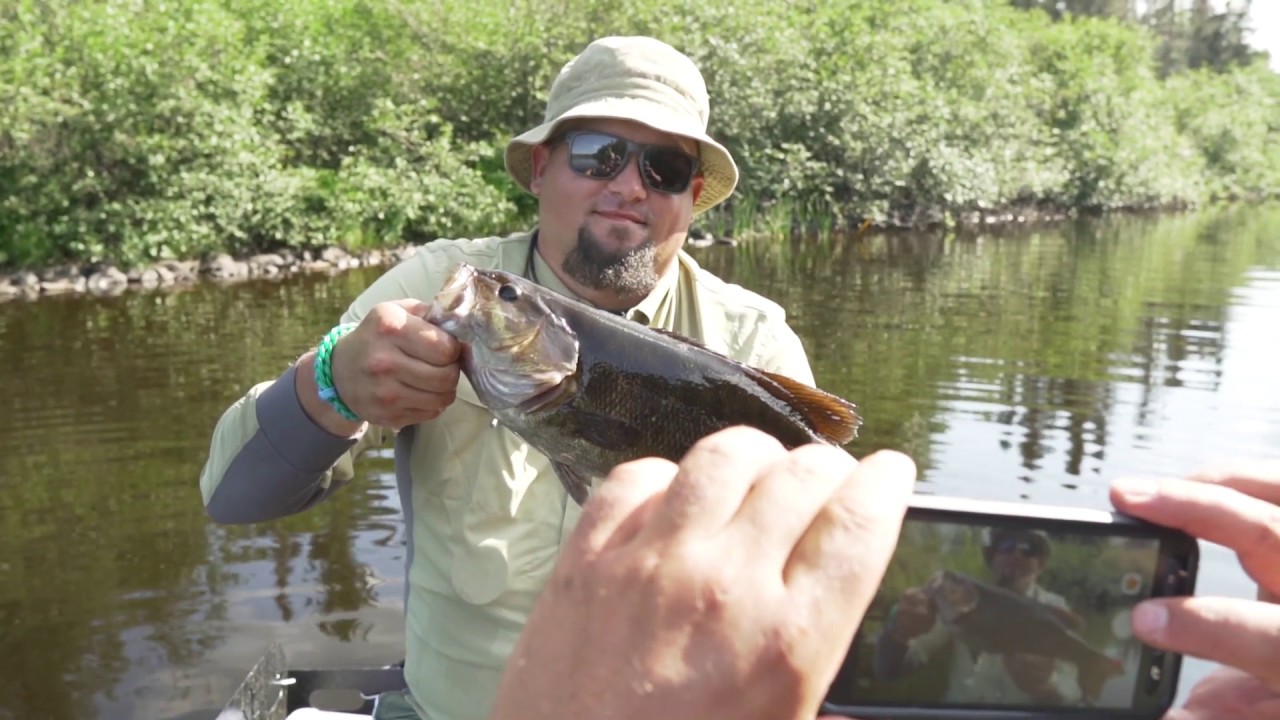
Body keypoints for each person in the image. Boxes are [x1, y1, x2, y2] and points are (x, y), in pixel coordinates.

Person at [199, 35, 817, 720]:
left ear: (693, 196)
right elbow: (233, 496)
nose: (628, 186)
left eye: (665, 168)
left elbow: (813, 565)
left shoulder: (751, 341)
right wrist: (332, 381)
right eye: (599, 155)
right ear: (541, 169)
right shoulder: (446, 288)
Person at [484, 442, 1280, 720]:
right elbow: (893, 671)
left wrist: (1054, 678)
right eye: (1004, 550)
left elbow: (1075, 694)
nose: (1014, 559)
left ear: (1040, 565)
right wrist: (896, 636)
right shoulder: (940, 600)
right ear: (990, 561)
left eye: (1027, 553)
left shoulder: (1057, 617)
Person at [871, 526, 1085, 705]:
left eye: (1029, 549)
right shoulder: (962, 605)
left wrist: (1045, 686)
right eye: (1006, 546)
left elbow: (1073, 695)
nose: (1016, 555)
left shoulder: (1054, 609)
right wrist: (898, 632)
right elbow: (888, 671)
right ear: (992, 557)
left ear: (1041, 563)